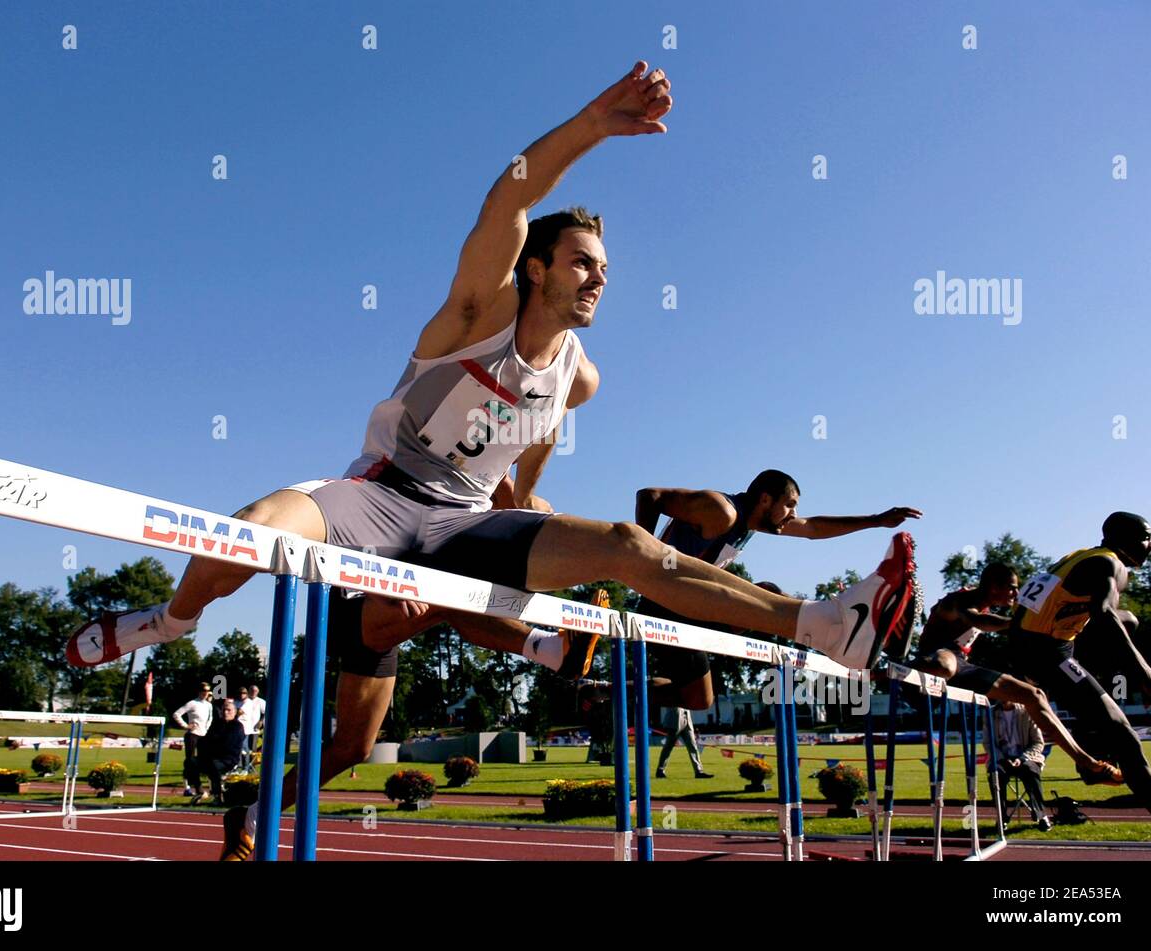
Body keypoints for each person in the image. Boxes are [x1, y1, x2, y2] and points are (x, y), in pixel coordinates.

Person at [58, 62, 916, 855]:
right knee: (250, 530)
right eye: (583, 262)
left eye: (608, 268)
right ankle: (167, 622)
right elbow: (507, 199)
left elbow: (533, 434)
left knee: (623, 548)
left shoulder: (579, 378)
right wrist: (591, 124)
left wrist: (529, 500)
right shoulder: (477, 313)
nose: (600, 279)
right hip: (380, 496)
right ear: (534, 270)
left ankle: (822, 627)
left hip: (465, 519)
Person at [634, 470, 922, 711]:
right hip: (662, 603)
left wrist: (875, 520)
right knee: (767, 592)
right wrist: (644, 560)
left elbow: (813, 527)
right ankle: (838, 627)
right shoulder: (721, 511)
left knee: (699, 700)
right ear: (765, 499)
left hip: (691, 608)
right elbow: (650, 496)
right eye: (789, 505)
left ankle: (611, 693)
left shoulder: (752, 522)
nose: (793, 515)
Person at [1002, 512, 1151, 843]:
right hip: (1046, 653)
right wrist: (1145, 672)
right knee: (1126, 738)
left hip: (1041, 644)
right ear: (1124, 540)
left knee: (1130, 620)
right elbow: (1104, 615)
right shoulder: (1111, 565)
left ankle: (1092, 730)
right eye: (1146, 538)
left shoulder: (1081, 556)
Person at [911, 562, 1120, 784]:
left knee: (1034, 695)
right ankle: (900, 668)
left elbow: (1017, 638)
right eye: (1012, 588)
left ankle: (1089, 764)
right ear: (994, 587)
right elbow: (979, 621)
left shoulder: (985, 608)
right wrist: (1017, 625)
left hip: (962, 668)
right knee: (946, 665)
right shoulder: (959, 600)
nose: (1016, 593)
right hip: (936, 657)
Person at [987, 701, 1051, 832]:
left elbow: (1038, 742)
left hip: (1027, 757)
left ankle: (1041, 815)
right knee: (995, 773)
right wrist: (1002, 758)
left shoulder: (1027, 712)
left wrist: (1022, 758)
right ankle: (1001, 817)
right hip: (1002, 758)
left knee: (1030, 770)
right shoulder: (990, 713)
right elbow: (988, 743)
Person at [194, 699, 246, 806]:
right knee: (191, 762)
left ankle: (217, 797)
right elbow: (204, 741)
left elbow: (227, 744)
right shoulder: (216, 724)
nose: (225, 712)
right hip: (212, 757)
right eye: (223, 710)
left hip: (229, 759)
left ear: (235, 712)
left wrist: (213, 744)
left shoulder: (237, 727)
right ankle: (201, 791)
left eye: (228, 710)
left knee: (214, 766)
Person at [173, 684, 213, 798]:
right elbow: (177, 714)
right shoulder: (192, 703)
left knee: (205, 761)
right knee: (190, 761)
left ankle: (210, 787)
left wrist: (206, 728)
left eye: (207, 691)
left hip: (203, 735)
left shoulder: (209, 705)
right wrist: (186, 726)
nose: (205, 693)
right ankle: (188, 787)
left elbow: (210, 718)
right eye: (204, 690)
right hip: (192, 735)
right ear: (199, 691)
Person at [656, 706, 711, 779]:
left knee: (693, 746)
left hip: (687, 718)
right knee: (668, 747)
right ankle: (660, 770)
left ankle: (699, 771)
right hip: (675, 719)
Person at [235, 685, 265, 772]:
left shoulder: (258, 702)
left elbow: (265, 713)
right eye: (252, 690)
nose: (253, 692)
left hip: (253, 729)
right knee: (242, 748)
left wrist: (260, 722)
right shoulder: (238, 701)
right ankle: (242, 766)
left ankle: (249, 767)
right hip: (242, 728)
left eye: (255, 690)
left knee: (251, 749)